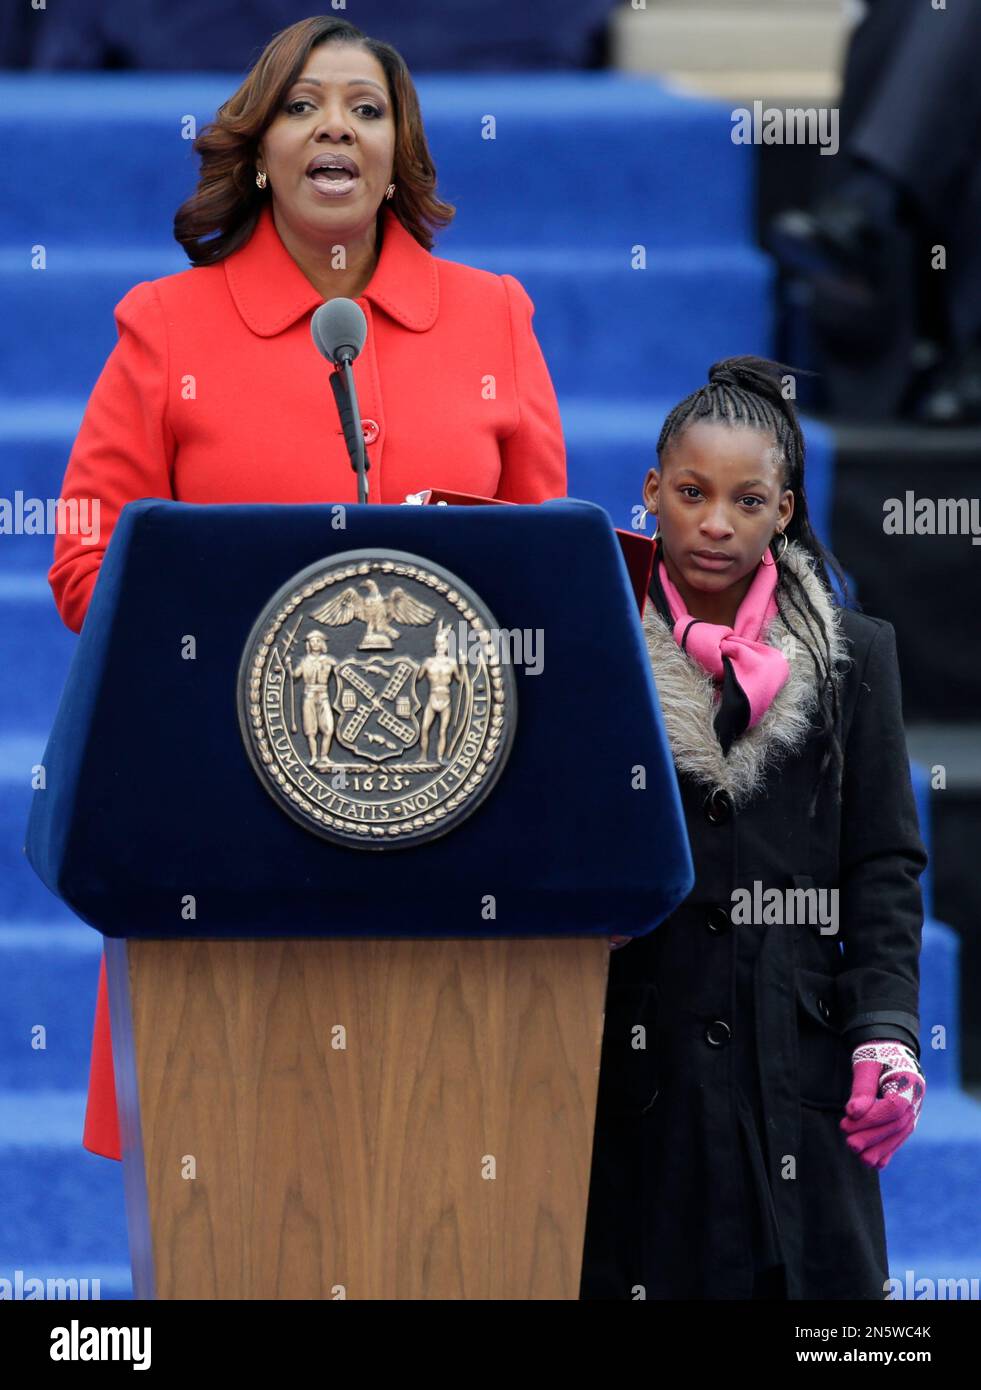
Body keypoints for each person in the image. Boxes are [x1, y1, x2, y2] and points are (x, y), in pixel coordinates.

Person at [48, 16, 566, 1164]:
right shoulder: (163, 325)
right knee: (241, 1178)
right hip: (226, 819)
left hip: (450, 822)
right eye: (304, 105)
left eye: (367, 109)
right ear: (260, 147)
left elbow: (552, 584)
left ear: (398, 155)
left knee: (437, 1167)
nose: (336, 125)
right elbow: (84, 564)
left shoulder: (495, 318)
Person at [580, 356, 927, 1301]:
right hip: (639, 1065)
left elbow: (884, 862)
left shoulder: (856, 656)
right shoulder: (593, 640)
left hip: (796, 1062)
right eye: (692, 493)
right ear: (652, 492)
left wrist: (885, 1030)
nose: (716, 523)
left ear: (782, 509)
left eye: (747, 498)